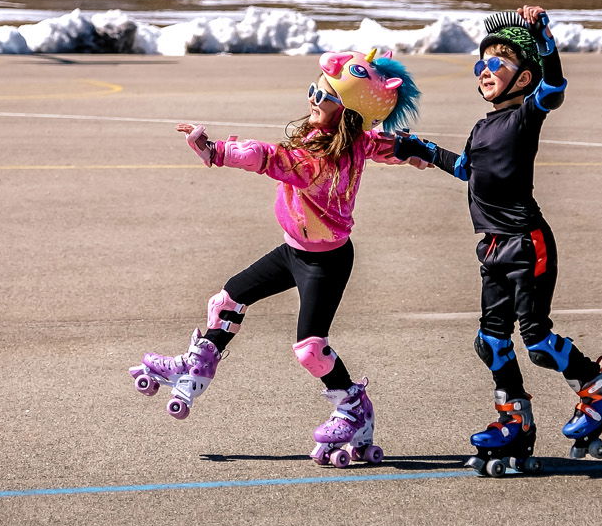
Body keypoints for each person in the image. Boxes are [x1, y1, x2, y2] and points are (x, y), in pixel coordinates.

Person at [129, 49, 422, 467]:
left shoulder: (316, 161)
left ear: (349, 115)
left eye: (324, 98)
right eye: (313, 92)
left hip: (326, 263)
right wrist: (415, 151)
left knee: (310, 349)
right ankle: (198, 364)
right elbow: (385, 144)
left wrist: (215, 151)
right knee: (226, 301)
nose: (313, 101)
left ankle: (353, 406)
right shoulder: (350, 141)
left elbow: (267, 157)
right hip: (293, 251)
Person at [394, 6, 602, 475]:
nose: (485, 72)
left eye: (497, 65)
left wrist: (543, 39)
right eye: (480, 65)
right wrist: (420, 148)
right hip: (490, 248)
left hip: (527, 244)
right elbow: (467, 169)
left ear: (523, 76)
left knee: (537, 339)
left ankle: (599, 393)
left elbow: (556, 89)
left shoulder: (527, 114)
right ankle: (514, 420)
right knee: (490, 341)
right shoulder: (483, 126)